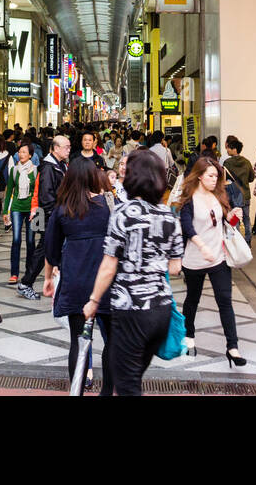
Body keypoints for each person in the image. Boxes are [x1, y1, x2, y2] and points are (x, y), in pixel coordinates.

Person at [82, 150, 184, 397]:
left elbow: (108, 265)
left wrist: (94, 300)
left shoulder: (124, 213)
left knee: (127, 384)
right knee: (133, 377)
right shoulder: (169, 216)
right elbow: (176, 266)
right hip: (161, 310)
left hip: (131, 310)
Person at [43, 159, 116, 395]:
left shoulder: (63, 209)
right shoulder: (109, 205)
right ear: (94, 178)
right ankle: (107, 391)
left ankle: (77, 392)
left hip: (75, 280)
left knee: (78, 341)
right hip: (106, 281)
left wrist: (47, 279)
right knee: (113, 341)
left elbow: (51, 251)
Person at [178, 158, 246, 366]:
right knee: (192, 299)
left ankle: (232, 347)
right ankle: (189, 335)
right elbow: (187, 227)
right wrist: (201, 246)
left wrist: (235, 216)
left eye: (216, 176)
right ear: (199, 176)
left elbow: (225, 222)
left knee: (225, 299)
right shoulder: (189, 199)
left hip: (218, 256)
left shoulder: (219, 195)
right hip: (195, 259)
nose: (214, 179)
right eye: (210, 176)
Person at [18, 133, 70, 299]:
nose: (69, 150)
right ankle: (26, 283)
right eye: (66, 147)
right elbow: (46, 197)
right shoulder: (49, 167)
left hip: (55, 216)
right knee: (44, 251)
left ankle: (56, 284)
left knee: (51, 250)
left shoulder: (60, 165)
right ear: (56, 148)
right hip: (50, 217)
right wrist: (56, 216)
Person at [222, 136, 254, 241]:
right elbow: (251, 178)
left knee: (235, 220)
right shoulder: (247, 162)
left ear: (234, 149)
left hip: (234, 196)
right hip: (245, 195)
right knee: (246, 219)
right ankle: (248, 240)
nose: (227, 149)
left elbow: (224, 180)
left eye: (229, 148)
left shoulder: (227, 163)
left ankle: (238, 241)